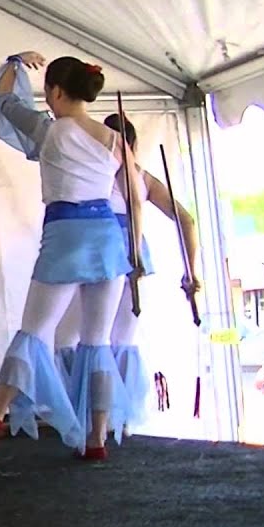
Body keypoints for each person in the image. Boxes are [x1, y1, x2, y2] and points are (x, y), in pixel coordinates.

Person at [0, 51, 142, 466]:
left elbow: (6, 103)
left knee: (32, 332)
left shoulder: (50, 131)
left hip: (65, 234)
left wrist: (12, 64)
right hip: (108, 238)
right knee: (96, 342)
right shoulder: (114, 139)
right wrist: (135, 252)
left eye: (48, 92)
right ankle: (97, 438)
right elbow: (134, 197)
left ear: (58, 92)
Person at [57, 115, 201, 439]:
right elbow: (186, 221)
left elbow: (186, 221)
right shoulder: (135, 178)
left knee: (93, 341)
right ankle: (105, 422)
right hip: (109, 260)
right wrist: (189, 271)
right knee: (111, 342)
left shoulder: (115, 178)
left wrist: (190, 272)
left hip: (104, 259)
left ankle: (102, 422)